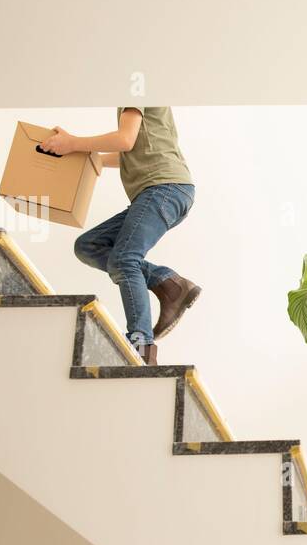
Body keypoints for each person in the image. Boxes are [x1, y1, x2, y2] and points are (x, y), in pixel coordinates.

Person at [41, 107, 200, 365]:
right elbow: (132, 146)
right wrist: (95, 158)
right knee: (88, 245)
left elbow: (125, 139)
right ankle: (169, 284)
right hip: (168, 190)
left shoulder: (135, 86)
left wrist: (73, 143)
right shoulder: (141, 90)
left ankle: (141, 345)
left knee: (125, 259)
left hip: (163, 189)